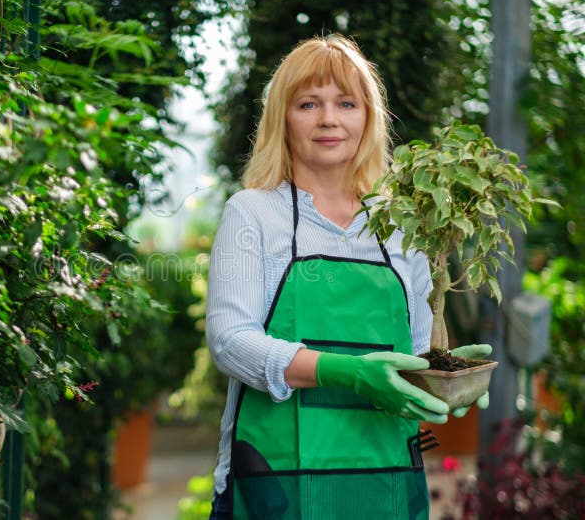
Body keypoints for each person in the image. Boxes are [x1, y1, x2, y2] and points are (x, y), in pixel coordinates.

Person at [205, 34, 490, 519]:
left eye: (346, 103)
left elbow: (415, 351)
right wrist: (351, 374)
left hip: (386, 484)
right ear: (283, 118)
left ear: (368, 118)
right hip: (276, 484)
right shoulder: (254, 214)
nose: (329, 119)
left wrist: (443, 380)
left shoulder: (402, 226)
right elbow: (230, 342)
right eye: (308, 103)